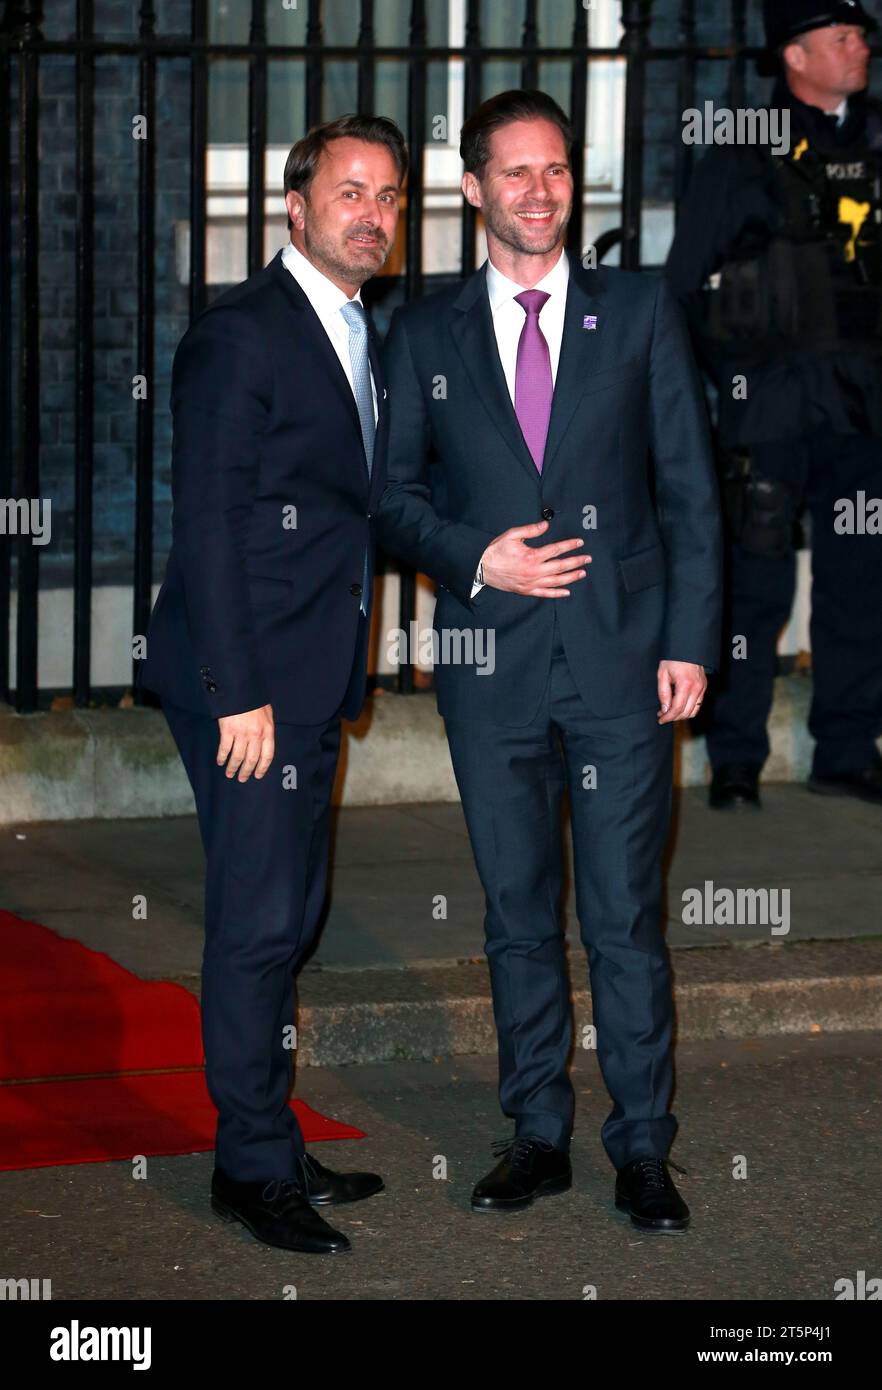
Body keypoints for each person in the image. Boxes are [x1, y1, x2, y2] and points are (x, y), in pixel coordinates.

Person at [376, 90, 722, 1232]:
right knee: (518, 915)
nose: (540, 192)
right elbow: (393, 501)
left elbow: (687, 487)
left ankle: (643, 1147)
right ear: (473, 187)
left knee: (623, 916)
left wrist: (687, 640)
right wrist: (477, 556)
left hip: (624, 666)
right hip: (492, 667)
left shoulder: (636, 313)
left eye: (558, 171)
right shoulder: (424, 335)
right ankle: (536, 1132)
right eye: (516, 173)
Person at [137, 115, 407, 1254]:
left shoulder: (353, 327)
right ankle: (249, 1169)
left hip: (307, 675)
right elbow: (205, 523)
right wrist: (236, 687)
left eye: (390, 196)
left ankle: (271, 1132)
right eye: (350, 191)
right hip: (246, 686)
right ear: (296, 207)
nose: (373, 214)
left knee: (289, 918)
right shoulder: (242, 336)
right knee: (256, 924)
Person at [666, 0, 882, 810]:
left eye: (861, 36)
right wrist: (716, 379)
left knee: (860, 576)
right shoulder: (742, 147)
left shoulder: (876, 138)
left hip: (862, 405)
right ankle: (734, 760)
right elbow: (685, 280)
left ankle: (848, 749)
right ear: (794, 55)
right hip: (770, 401)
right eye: (842, 37)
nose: (860, 46)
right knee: (753, 582)